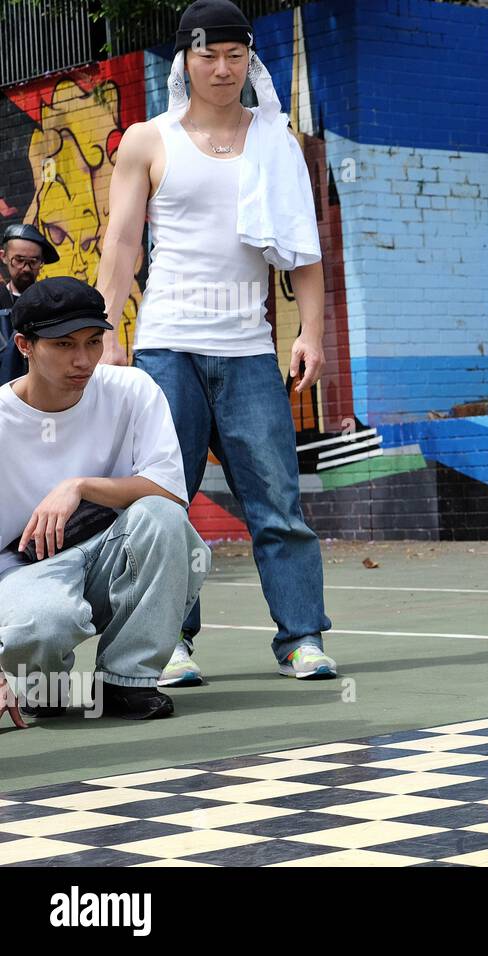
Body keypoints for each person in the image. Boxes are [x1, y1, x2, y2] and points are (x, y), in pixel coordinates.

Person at [96, 0, 336, 685]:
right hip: (167, 345)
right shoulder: (148, 139)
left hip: (250, 350)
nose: (222, 68)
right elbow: (120, 242)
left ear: (249, 59)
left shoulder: (275, 139)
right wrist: (108, 332)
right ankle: (167, 639)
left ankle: (301, 638)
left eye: (235, 55)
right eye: (208, 55)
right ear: (186, 61)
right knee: (163, 502)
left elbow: (304, 248)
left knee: (278, 503)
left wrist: (312, 333)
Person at [0, 277, 207, 721]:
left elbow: (170, 490)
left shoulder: (131, 389)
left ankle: (126, 681)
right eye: (63, 345)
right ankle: (41, 685)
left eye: (94, 342)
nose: (83, 360)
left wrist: (79, 485)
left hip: (109, 551)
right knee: (42, 625)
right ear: (25, 344)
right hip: (21, 568)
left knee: (164, 519)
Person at [0, 223, 60, 386]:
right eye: (19, 260)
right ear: (4, 256)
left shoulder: (51, 303)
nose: (26, 268)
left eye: (33, 261)